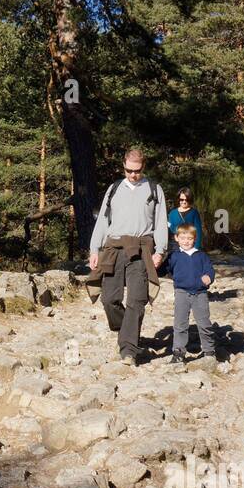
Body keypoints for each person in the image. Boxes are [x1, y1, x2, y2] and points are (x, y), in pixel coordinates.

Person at [86, 147, 168, 366]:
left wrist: (160, 251)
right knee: (109, 299)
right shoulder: (113, 189)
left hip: (141, 250)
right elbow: (103, 222)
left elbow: (160, 222)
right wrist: (95, 250)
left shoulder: (154, 189)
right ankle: (127, 331)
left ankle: (128, 350)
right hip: (113, 249)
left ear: (143, 168)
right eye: (129, 170)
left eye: (137, 171)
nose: (133, 175)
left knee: (136, 300)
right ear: (123, 166)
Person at [168, 222, 216, 364]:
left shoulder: (201, 255)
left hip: (200, 293)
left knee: (204, 323)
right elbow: (165, 269)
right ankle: (178, 352)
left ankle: (209, 351)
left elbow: (210, 270)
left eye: (189, 238)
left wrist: (209, 277)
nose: (186, 241)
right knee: (180, 324)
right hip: (181, 292)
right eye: (183, 238)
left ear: (194, 239)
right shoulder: (174, 256)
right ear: (177, 238)